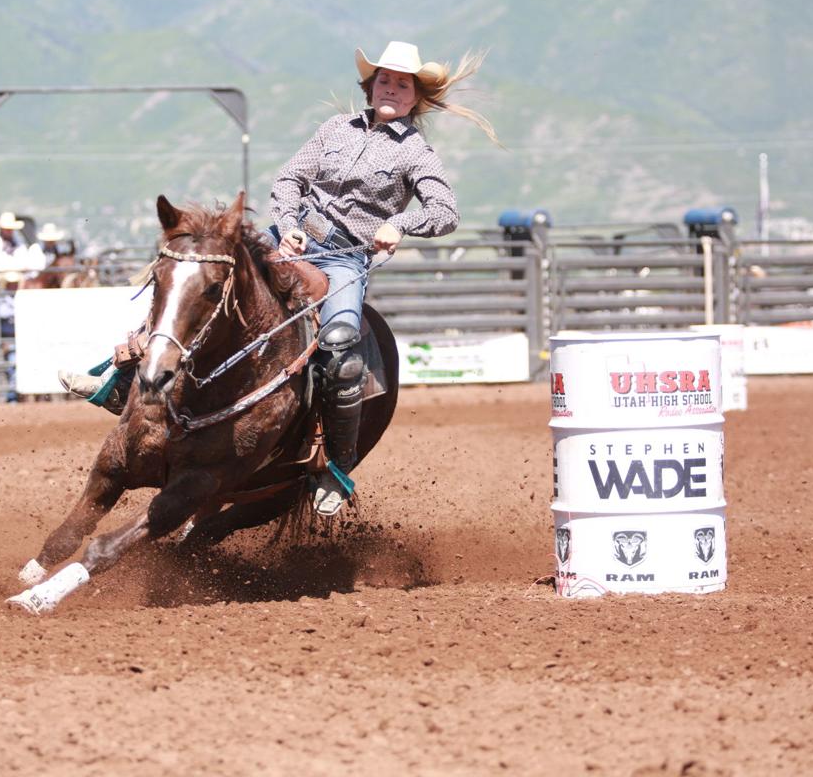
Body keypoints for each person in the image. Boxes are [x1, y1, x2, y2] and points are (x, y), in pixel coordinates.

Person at [61, 40, 498, 515]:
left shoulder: (417, 154)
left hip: (344, 260)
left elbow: (445, 211)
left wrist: (401, 224)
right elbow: (290, 179)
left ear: (416, 96)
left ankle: (335, 463)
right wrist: (288, 227)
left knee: (341, 343)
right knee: (205, 280)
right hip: (289, 238)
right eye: (384, 80)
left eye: (402, 83)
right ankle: (121, 381)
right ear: (370, 87)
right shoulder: (335, 129)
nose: (391, 89)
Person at [0, 211, 46, 401]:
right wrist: (2, 280)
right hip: (2, 294)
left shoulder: (17, 244)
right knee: (10, 347)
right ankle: (13, 391)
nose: (10, 232)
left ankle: (15, 391)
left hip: (18, 292)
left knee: (16, 348)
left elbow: (27, 266)